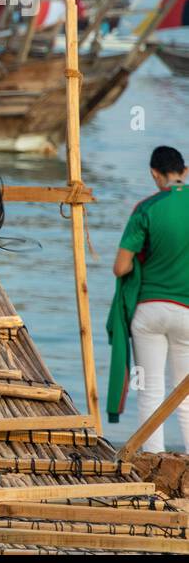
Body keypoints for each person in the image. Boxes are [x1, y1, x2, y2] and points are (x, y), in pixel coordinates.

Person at [112, 146, 189, 452]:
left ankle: (153, 464)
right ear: (183, 171)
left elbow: (121, 267)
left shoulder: (146, 208)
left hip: (149, 311)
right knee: (184, 395)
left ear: (154, 174)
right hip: (187, 311)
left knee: (150, 391)